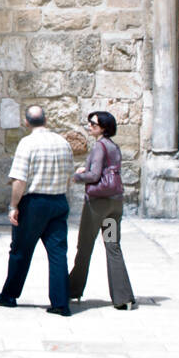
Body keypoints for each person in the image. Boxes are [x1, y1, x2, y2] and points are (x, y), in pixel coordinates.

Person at [0, 104, 74, 316]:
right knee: (58, 253)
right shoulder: (63, 142)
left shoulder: (27, 143)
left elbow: (19, 179)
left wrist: (14, 206)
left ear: (26, 122)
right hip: (58, 201)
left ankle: (9, 295)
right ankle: (61, 303)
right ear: (46, 120)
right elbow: (69, 175)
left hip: (35, 203)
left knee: (20, 251)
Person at [69, 110, 136, 310]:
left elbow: (95, 175)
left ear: (103, 128)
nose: (89, 126)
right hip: (115, 203)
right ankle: (123, 296)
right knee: (113, 246)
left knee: (85, 246)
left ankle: (72, 290)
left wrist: (77, 176)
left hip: (97, 204)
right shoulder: (114, 147)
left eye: (93, 124)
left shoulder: (99, 146)